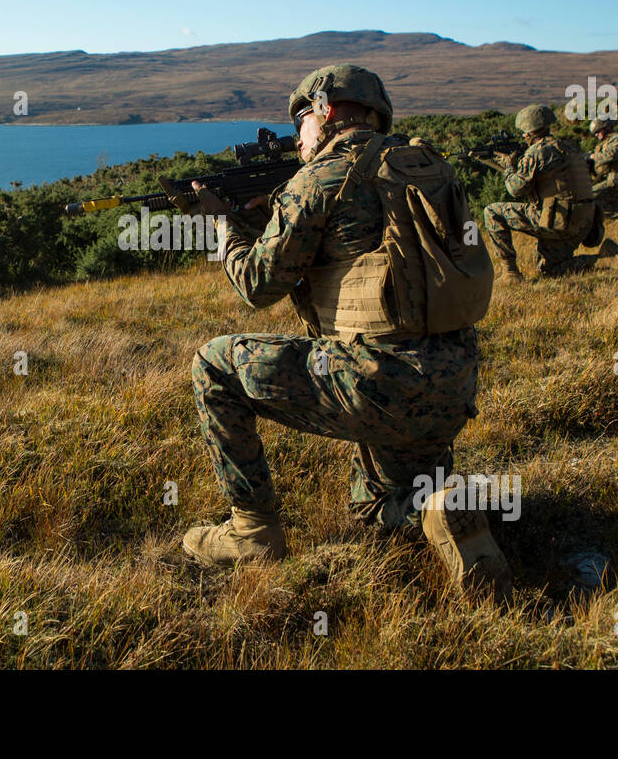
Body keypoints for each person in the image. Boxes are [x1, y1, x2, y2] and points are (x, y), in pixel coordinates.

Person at [181, 63, 512, 602]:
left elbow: (257, 286)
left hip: (378, 381)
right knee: (375, 506)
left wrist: (226, 224)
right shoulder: (432, 168)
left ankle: (251, 532)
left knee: (214, 364)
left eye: (301, 124)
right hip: (452, 382)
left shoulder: (317, 178)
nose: (297, 139)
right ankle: (436, 507)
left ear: (326, 111)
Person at [482, 104, 618, 279]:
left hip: (560, 220)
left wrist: (509, 168)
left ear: (530, 132)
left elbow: (515, 189)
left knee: (492, 212)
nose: (523, 136)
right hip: (585, 221)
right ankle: (606, 259)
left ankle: (510, 273)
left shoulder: (538, 151)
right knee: (549, 271)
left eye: (524, 133)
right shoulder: (570, 147)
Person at [588, 117, 618, 220]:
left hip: (617, 180)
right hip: (611, 180)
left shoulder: (617, 138)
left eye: (598, 132)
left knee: (590, 197)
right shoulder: (606, 142)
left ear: (607, 128)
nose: (596, 135)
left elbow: (611, 155)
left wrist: (593, 157)